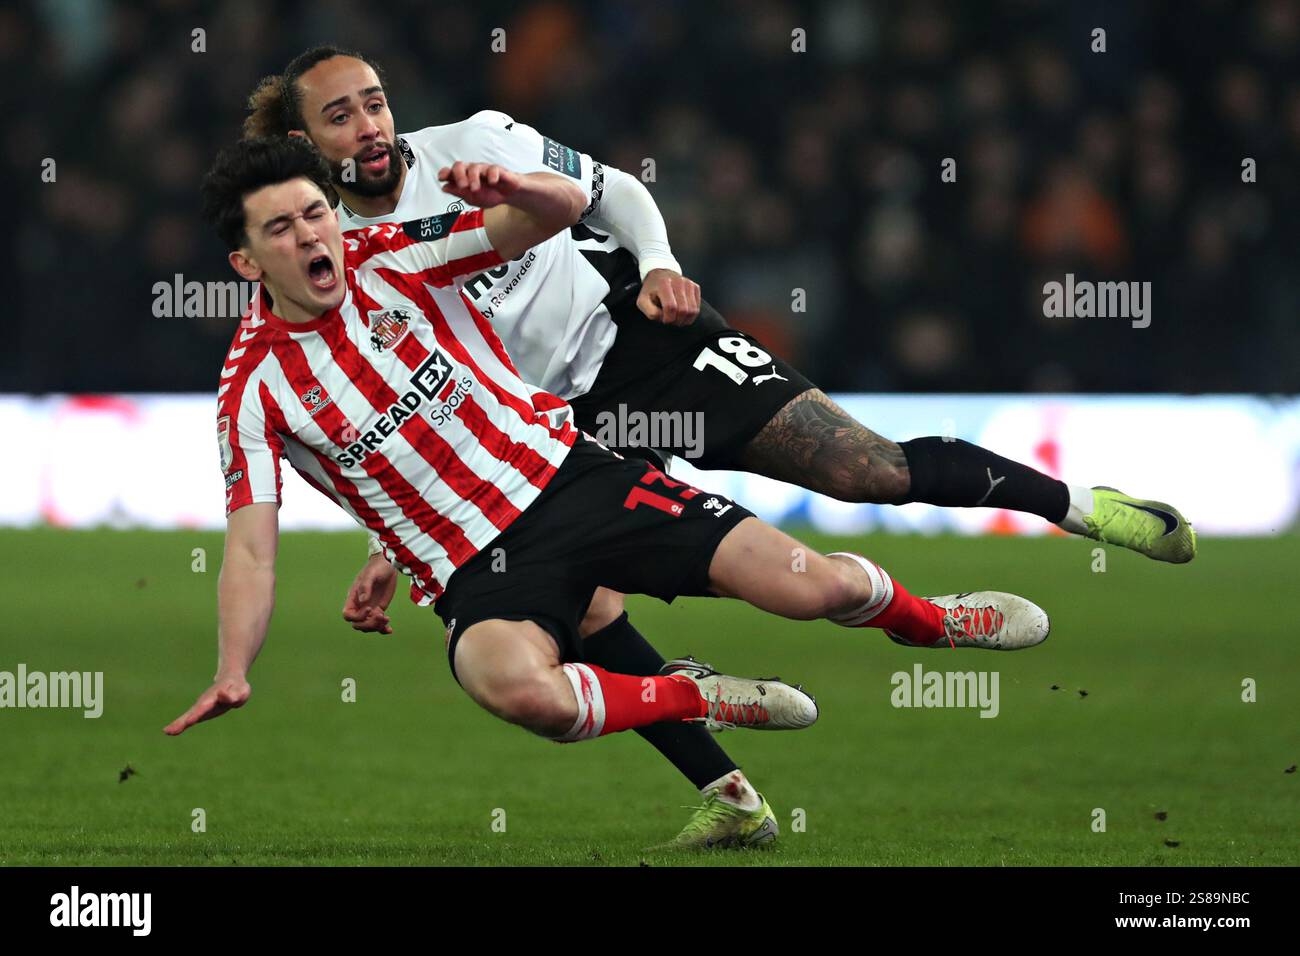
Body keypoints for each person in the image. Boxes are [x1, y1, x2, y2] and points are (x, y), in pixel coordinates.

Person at [241, 44, 1197, 847]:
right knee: (582, 610)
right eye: (339, 116)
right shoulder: (328, 260)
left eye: (373, 102)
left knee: (864, 468)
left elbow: (611, 192)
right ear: (302, 143)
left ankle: (1081, 510)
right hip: (549, 427)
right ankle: (733, 800)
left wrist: (660, 265)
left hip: (639, 343)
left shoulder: (475, 144)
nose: (368, 125)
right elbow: (416, 420)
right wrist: (387, 544)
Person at [164, 139, 1052, 850]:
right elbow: (250, 544)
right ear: (246, 261)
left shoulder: (390, 256)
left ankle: (933, 619)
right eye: (282, 229)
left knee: (808, 588)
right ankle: (695, 696)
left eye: (316, 212)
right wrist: (234, 669)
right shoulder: (252, 389)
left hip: (572, 480)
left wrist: (512, 183)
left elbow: (552, 214)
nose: (313, 236)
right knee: (507, 683)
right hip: (476, 567)